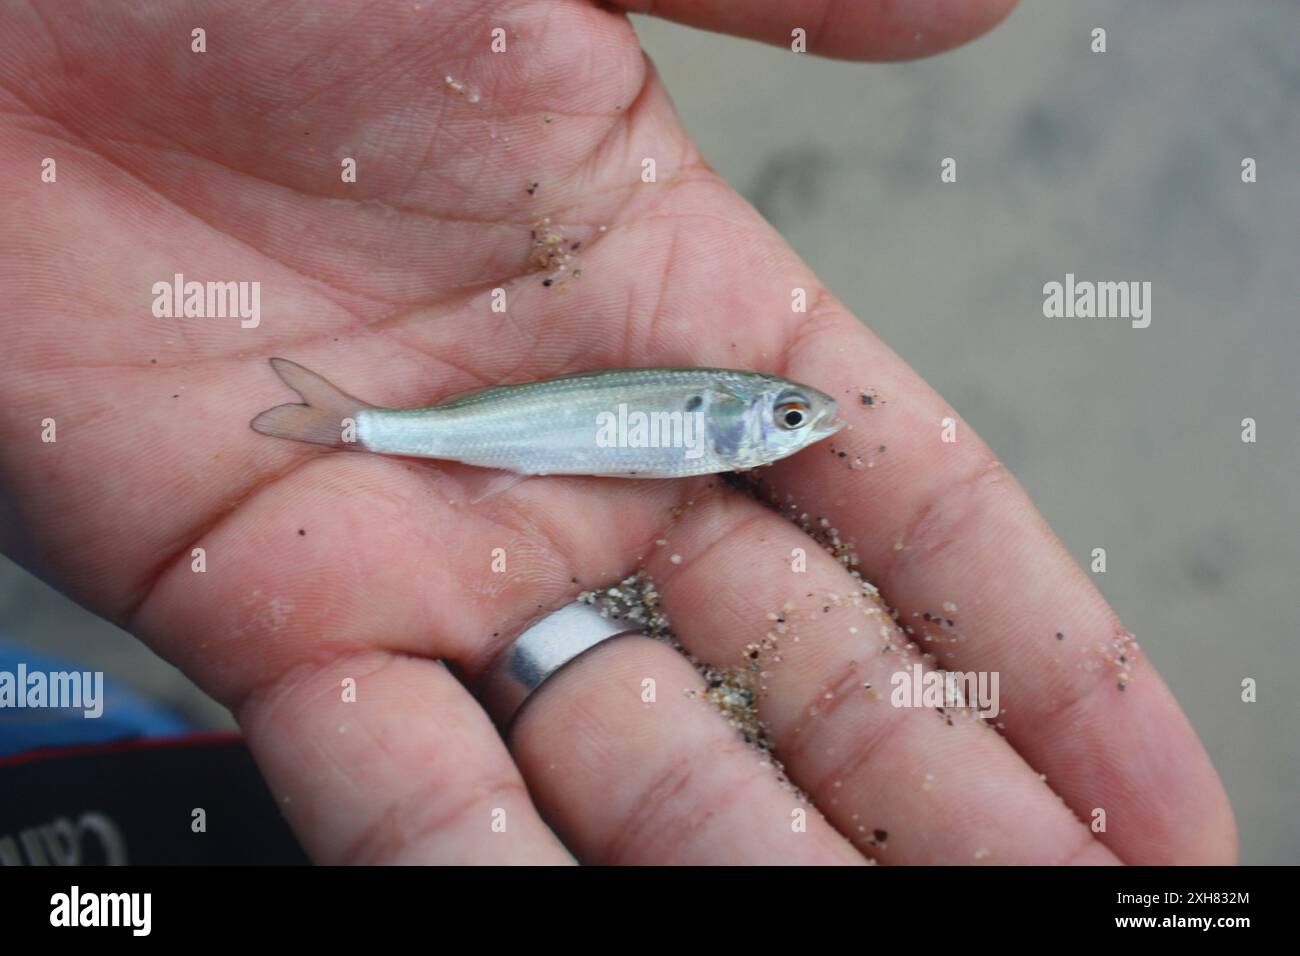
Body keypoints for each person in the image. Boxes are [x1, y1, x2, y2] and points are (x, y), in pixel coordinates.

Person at [0, 0, 1235, 864]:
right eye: (786, 417)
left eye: (791, 419)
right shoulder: (710, 427)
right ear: (738, 419)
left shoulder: (717, 429)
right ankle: (329, 460)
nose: (794, 429)